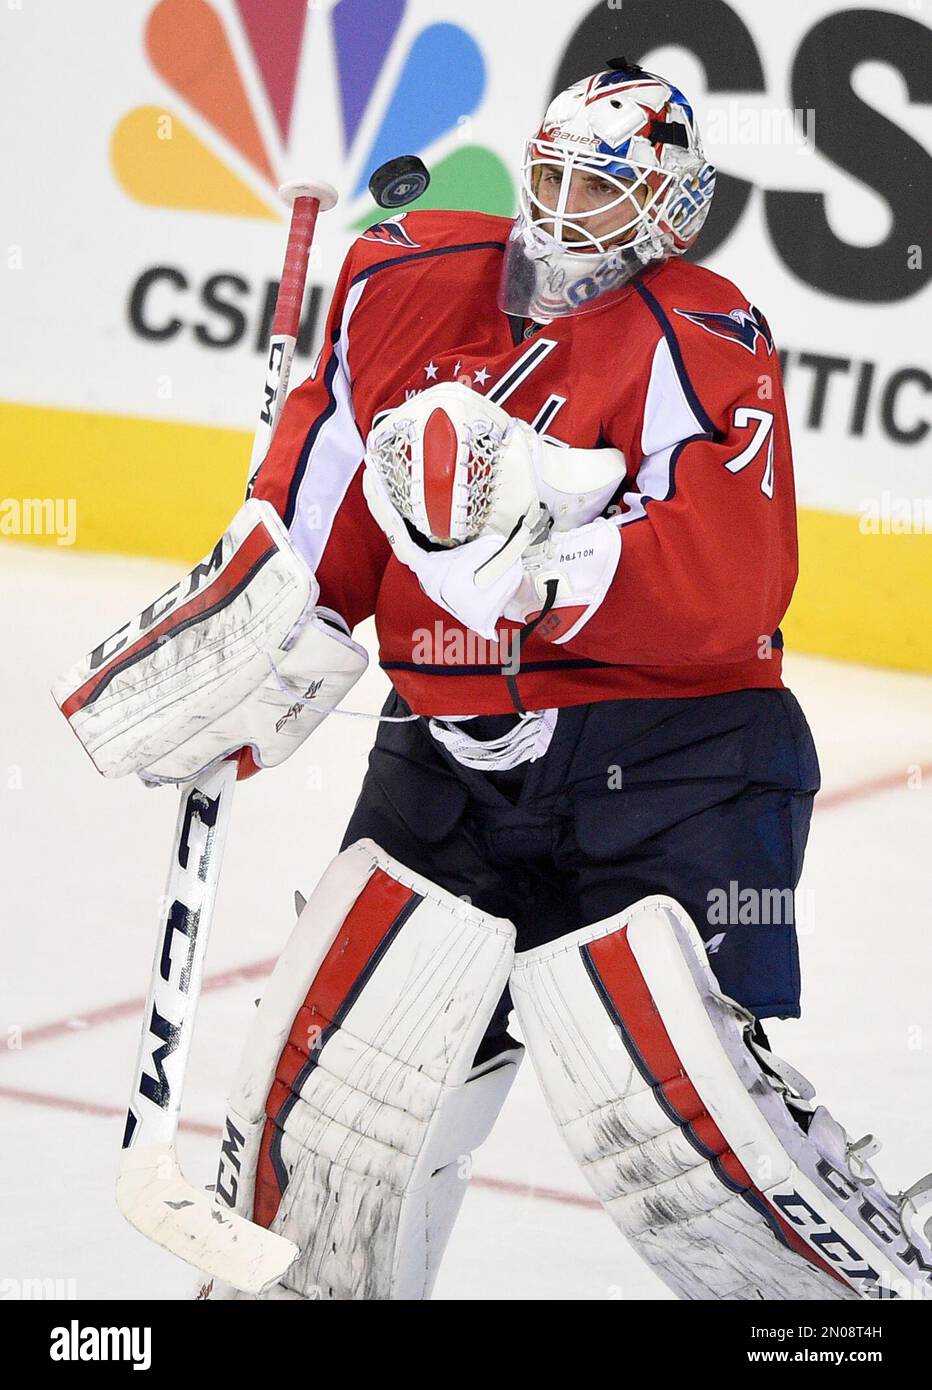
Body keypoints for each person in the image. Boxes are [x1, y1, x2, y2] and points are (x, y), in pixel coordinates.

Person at [56, 61, 932, 1301]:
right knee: (334, 1098)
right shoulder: (401, 281)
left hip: (673, 762)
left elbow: (735, 583)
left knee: (676, 1112)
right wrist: (254, 625)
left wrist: (538, 564)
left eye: (605, 184)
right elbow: (322, 517)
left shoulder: (706, 330)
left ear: (670, 211)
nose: (569, 205)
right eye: (556, 172)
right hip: (443, 761)